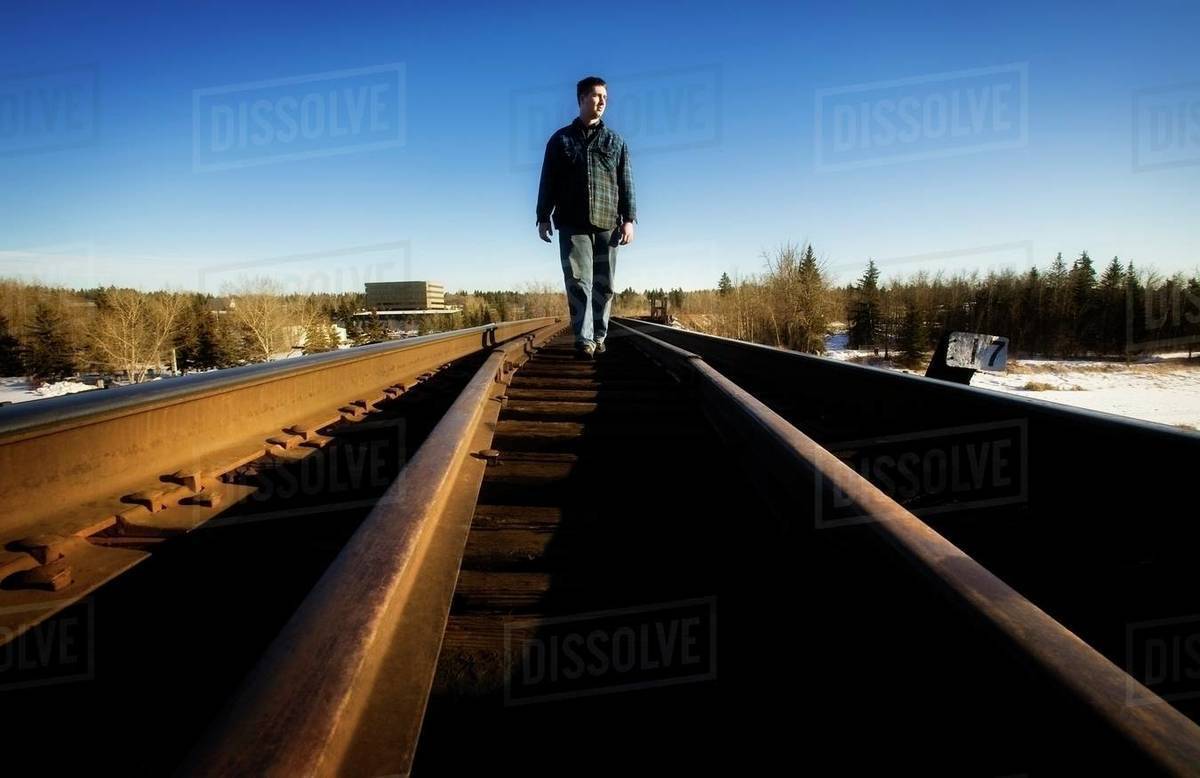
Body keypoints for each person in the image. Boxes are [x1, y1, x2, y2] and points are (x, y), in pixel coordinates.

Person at [536, 75, 637, 359]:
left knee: (604, 286)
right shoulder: (560, 140)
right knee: (579, 282)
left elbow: (626, 181)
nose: (602, 101)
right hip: (572, 222)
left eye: (605, 96)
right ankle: (584, 340)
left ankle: (600, 335)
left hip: (608, 223)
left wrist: (629, 218)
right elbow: (548, 180)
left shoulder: (616, 141)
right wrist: (543, 216)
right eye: (596, 95)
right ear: (581, 99)